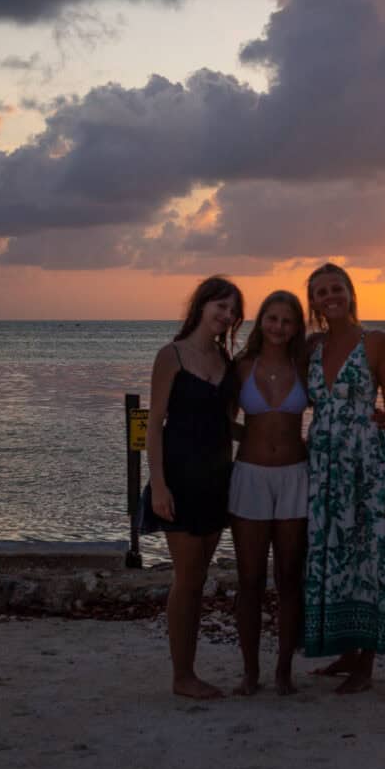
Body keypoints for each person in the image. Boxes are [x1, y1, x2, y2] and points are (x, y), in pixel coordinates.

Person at [304, 263, 385, 693]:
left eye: (335, 288)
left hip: (369, 465)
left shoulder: (375, 342)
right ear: (313, 302)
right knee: (338, 554)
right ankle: (346, 649)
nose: (329, 296)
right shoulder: (312, 347)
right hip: (324, 468)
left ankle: (366, 663)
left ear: (351, 293)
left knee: (370, 554)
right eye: (320, 292)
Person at [141, 275, 244, 699]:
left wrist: (280, 441)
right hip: (179, 478)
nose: (226, 315)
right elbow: (154, 426)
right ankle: (182, 676)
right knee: (186, 578)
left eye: (234, 311)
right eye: (220, 305)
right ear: (201, 305)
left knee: (200, 576)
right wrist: (159, 485)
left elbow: (226, 426)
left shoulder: (229, 364)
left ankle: (188, 670)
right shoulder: (172, 356)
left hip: (219, 478)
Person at [229, 291, 309, 696]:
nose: (279, 327)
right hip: (250, 478)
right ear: (261, 321)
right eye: (272, 319)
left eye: (288, 321)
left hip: (296, 477)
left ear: (297, 327)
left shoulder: (305, 366)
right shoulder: (242, 367)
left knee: (290, 577)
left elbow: (332, 408)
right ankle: (249, 672)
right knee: (250, 579)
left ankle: (283, 671)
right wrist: (257, 436)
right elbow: (223, 421)